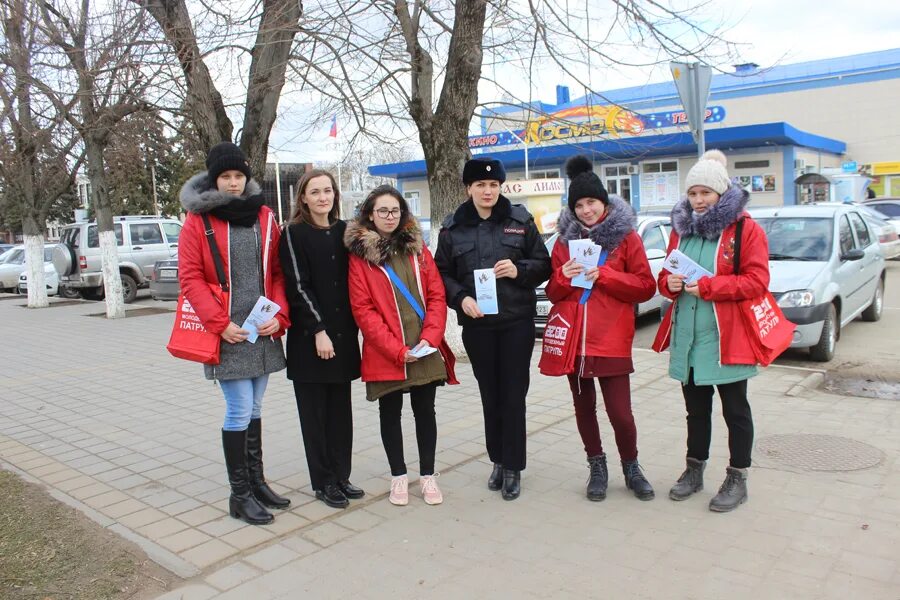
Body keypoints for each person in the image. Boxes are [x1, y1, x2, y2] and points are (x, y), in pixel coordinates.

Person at [179, 142, 291, 525]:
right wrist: (218, 324)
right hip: (227, 331)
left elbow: (276, 272)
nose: (232, 183)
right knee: (240, 408)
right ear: (214, 179)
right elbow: (190, 278)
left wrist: (279, 316)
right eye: (225, 177)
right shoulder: (199, 220)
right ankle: (239, 495)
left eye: (238, 176)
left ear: (246, 178)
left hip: (260, 328)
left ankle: (257, 483)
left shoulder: (263, 216)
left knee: (256, 408)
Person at [653, 149, 770, 513]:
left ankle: (737, 476)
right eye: (693, 193)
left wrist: (709, 287)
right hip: (688, 336)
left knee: (736, 410)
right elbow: (665, 276)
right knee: (696, 410)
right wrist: (668, 283)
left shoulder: (745, 229)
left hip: (727, 338)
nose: (699, 200)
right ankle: (693, 470)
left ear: (720, 193)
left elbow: (757, 281)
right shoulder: (680, 230)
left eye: (706, 193)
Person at [435, 157, 551, 501]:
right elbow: (440, 273)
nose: (488, 191)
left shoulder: (520, 221)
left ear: (501, 187)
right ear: (469, 188)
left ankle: (514, 466)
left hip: (516, 323)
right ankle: (498, 460)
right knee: (491, 396)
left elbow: (544, 264)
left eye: (493, 185)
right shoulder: (453, 228)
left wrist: (519, 270)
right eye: (480, 185)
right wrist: (460, 298)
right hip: (479, 327)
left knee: (514, 395)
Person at [546, 155, 657, 502]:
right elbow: (552, 293)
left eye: (591, 202)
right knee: (584, 409)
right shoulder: (564, 242)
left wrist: (605, 275)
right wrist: (562, 278)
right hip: (575, 342)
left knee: (620, 413)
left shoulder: (626, 239)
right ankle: (597, 466)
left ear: (604, 202)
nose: (586, 211)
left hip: (611, 340)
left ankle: (631, 466)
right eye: (578, 205)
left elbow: (645, 286)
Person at [345, 185, 458, 506]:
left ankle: (427, 475)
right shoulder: (360, 259)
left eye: (394, 211)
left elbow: (436, 294)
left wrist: (431, 337)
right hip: (386, 351)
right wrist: (396, 349)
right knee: (390, 412)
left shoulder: (418, 249)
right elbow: (363, 310)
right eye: (382, 211)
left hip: (423, 345)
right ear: (370, 214)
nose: (389, 217)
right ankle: (398, 477)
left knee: (425, 411)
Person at [278, 169, 364, 510]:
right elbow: (297, 286)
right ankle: (323, 481)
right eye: (315, 192)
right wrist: (318, 331)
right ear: (303, 197)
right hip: (310, 339)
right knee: (315, 414)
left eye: (328, 190)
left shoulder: (346, 231)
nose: (322, 197)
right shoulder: (293, 234)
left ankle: (341, 474)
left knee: (340, 411)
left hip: (344, 336)